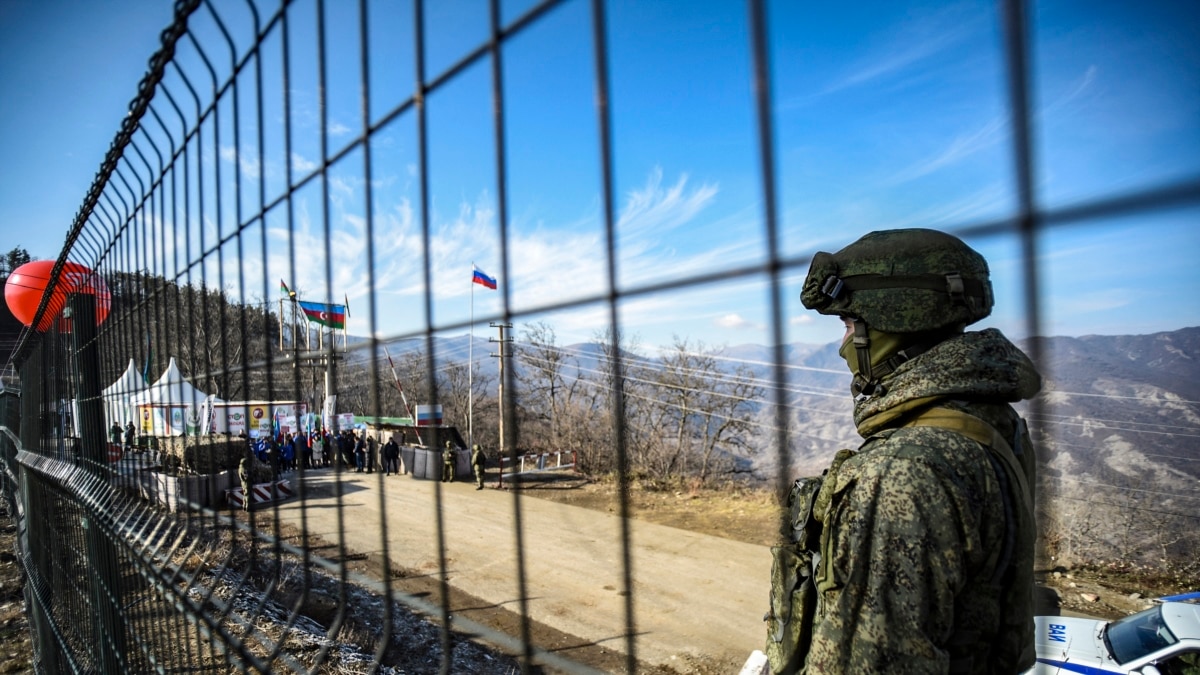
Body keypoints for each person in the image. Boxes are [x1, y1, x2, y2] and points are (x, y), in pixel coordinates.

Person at [767, 229, 1040, 674]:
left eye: (848, 325)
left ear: (892, 323)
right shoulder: (994, 426)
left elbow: (869, 661)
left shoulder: (901, 470)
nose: (841, 347)